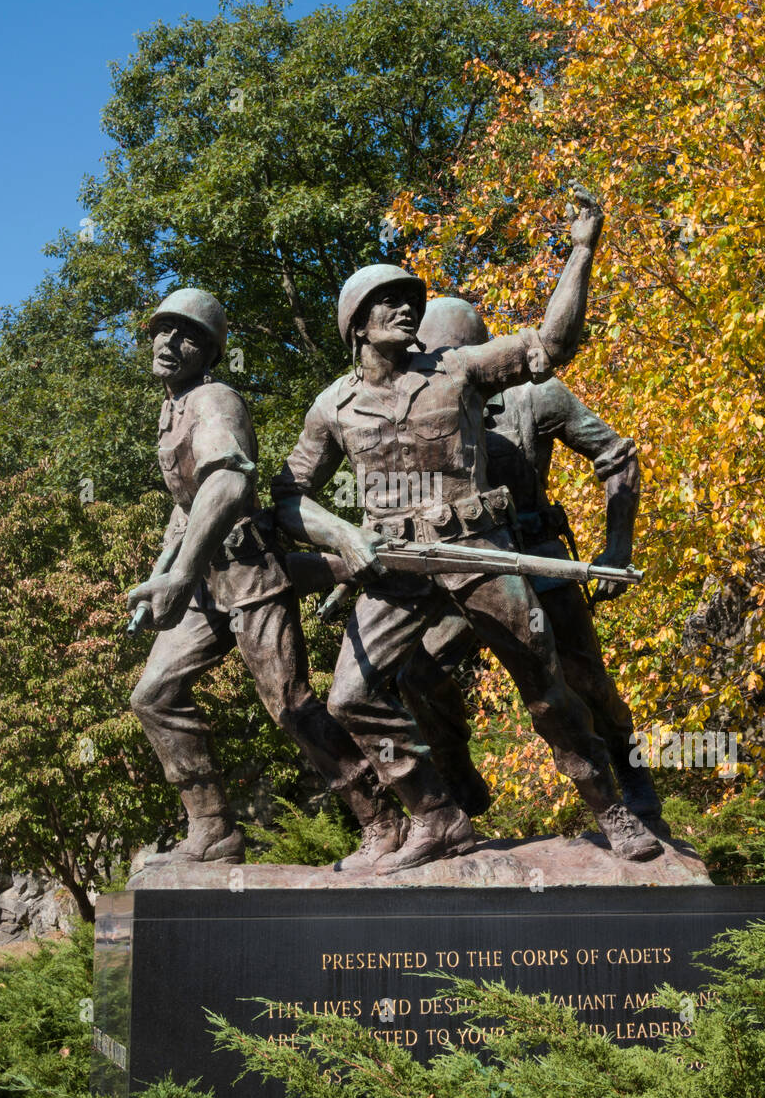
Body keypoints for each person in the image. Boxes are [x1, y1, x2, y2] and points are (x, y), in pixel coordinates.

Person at [272, 192, 663, 872]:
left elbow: (553, 344)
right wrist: (341, 536)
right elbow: (287, 498)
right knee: (352, 697)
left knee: (545, 689)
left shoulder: (458, 370)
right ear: (355, 325)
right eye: (387, 302)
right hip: (394, 566)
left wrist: (582, 247)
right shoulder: (331, 405)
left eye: (409, 301)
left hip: (480, 553)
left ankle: (612, 807)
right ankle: (438, 816)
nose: (405, 309)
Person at [127, 288, 400, 867]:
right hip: (203, 579)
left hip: (248, 571)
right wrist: (164, 571)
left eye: (188, 335)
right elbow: (187, 504)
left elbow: (227, 483)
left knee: (291, 705)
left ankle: (383, 817)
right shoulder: (172, 409)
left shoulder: (215, 400)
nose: (169, 343)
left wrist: (180, 575)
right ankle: (214, 831)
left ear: (210, 352)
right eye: (163, 330)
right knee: (154, 694)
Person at [394, 296, 667, 834]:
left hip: (538, 558)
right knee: (414, 671)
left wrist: (617, 549)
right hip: (461, 566)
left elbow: (616, 456)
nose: (433, 365)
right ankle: (457, 773)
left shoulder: (537, 395)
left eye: (444, 353)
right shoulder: (412, 408)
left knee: (586, 680)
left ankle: (630, 772)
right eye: (428, 355)